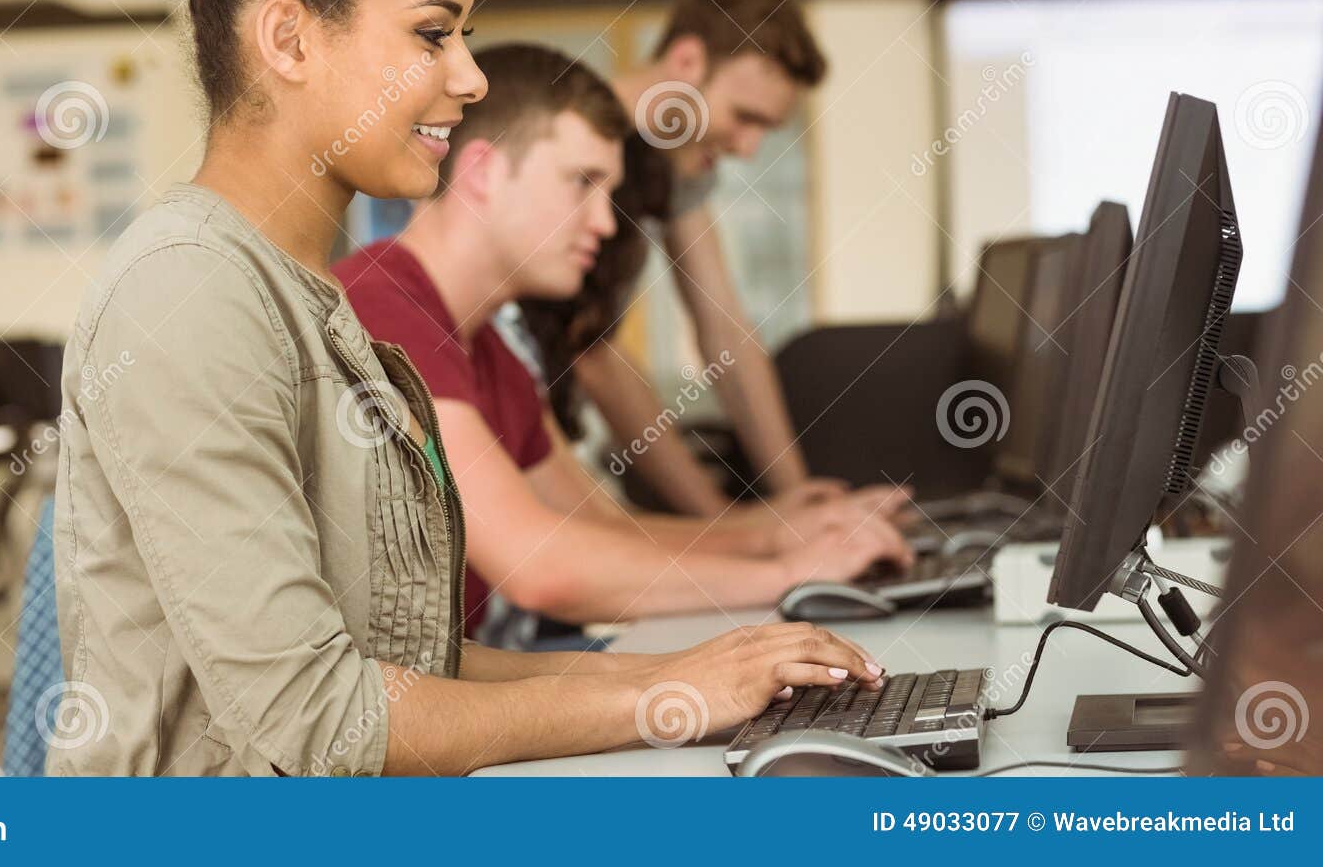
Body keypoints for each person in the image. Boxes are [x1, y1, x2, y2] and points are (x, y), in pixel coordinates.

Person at [49, 0, 885, 778]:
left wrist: (701, 673)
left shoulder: (315, 306)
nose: (470, 78)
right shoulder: (186, 295)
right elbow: (323, 720)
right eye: (431, 33)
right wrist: (672, 690)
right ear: (290, 38)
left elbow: (413, 660)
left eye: (466, 37)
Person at [335, 42, 913, 635]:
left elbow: (597, 528)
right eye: (580, 183)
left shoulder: (491, 352)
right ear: (482, 172)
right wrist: (791, 572)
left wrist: (774, 534)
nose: (606, 223)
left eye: (608, 193)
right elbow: (543, 568)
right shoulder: (381, 312)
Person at [574, 0, 845, 516]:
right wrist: (724, 523)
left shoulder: (674, 165)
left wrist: (796, 499)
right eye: (744, 117)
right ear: (687, 63)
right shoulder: (578, 146)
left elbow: (724, 326)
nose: (747, 149)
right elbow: (591, 353)